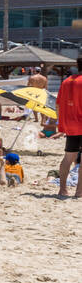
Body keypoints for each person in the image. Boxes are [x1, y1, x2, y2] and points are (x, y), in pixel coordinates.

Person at [57, 56, 82, 198]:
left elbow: (59, 104)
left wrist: (62, 124)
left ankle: (63, 190)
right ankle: (79, 192)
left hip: (71, 125)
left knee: (68, 158)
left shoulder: (66, 82)